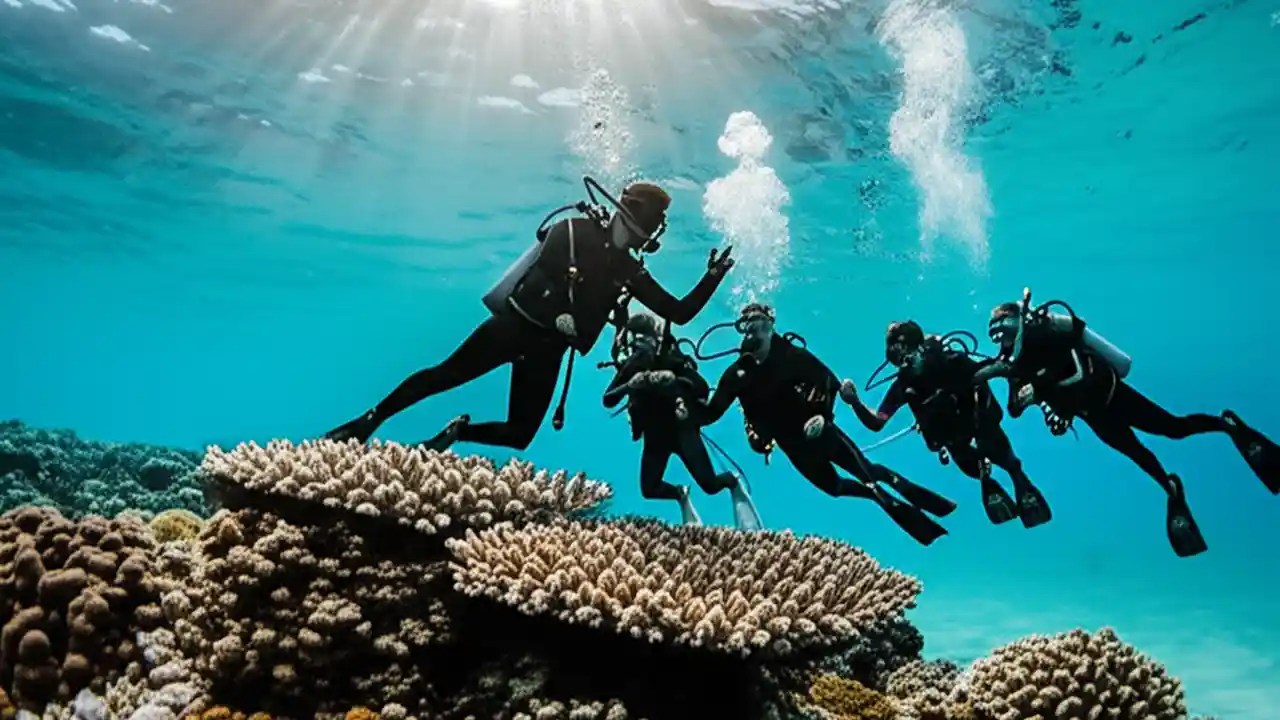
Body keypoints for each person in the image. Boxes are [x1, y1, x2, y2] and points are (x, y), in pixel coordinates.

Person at [324, 178, 736, 451]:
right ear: (640, 216)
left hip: (549, 352)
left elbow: (677, 313)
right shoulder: (573, 229)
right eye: (657, 220)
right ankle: (367, 421)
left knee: (520, 436)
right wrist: (560, 309)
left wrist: (712, 276)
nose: (657, 229)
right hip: (515, 328)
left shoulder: (629, 268)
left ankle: (457, 432)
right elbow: (548, 264)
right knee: (443, 375)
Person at [976, 289, 1280, 557]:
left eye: (1003, 329)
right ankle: (1170, 487)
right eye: (995, 335)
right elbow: (1014, 408)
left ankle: (1225, 423)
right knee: (1139, 454)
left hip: (1114, 397)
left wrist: (1046, 392)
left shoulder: (1050, 337)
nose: (1000, 339)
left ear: (1019, 322)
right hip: (1095, 416)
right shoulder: (1014, 366)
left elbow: (1080, 374)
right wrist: (1030, 398)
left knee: (1173, 428)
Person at [690, 303, 957, 547]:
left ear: (771, 326)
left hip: (822, 434)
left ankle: (901, 501)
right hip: (792, 446)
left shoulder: (793, 356)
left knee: (869, 475)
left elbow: (830, 382)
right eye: (746, 325)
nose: (751, 329)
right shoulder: (737, 374)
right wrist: (686, 406)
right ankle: (878, 492)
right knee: (836, 488)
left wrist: (822, 414)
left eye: (758, 323)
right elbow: (711, 413)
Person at [840, 321, 1051, 529]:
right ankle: (988, 474)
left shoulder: (952, 362)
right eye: (899, 359)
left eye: (908, 356)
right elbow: (878, 422)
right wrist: (855, 403)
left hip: (978, 423)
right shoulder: (904, 384)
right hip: (952, 437)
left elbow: (996, 369)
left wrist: (1028, 388)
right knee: (973, 463)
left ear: (921, 348)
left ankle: (1016, 475)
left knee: (1001, 454)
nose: (906, 363)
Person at [602, 313, 763, 530]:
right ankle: (680, 494)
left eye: (646, 340)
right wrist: (630, 384)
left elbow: (701, 386)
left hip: (683, 430)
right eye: (638, 341)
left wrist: (674, 381)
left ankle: (732, 482)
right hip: (654, 435)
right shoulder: (632, 366)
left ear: (655, 339)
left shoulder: (672, 357)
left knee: (710, 485)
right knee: (649, 489)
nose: (643, 347)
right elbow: (608, 399)